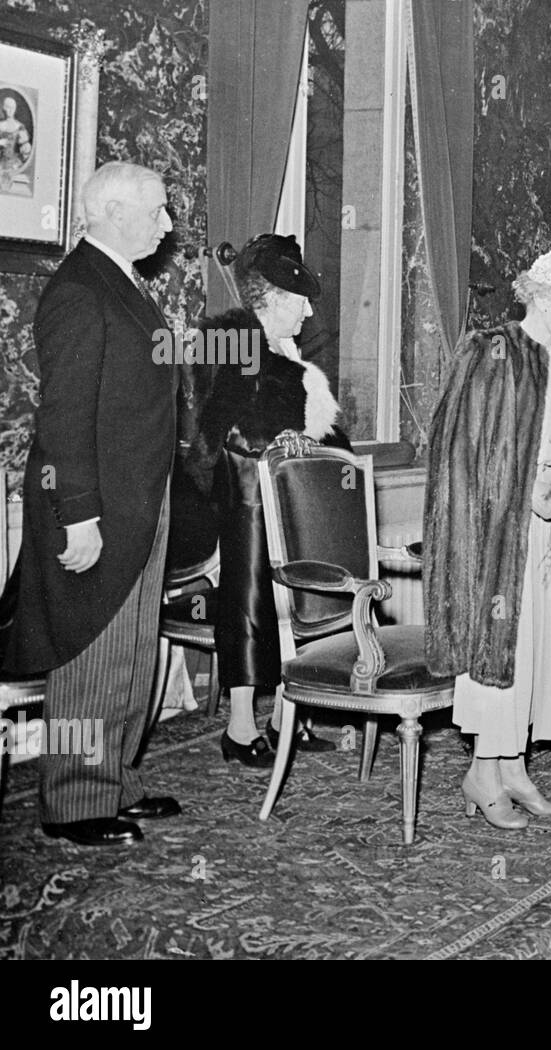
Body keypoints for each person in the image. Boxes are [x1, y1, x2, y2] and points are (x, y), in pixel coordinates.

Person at [2, 162, 179, 846]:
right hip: (95, 507)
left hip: (137, 502)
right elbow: (63, 417)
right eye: (158, 212)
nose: (167, 226)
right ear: (112, 212)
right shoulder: (78, 290)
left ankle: (115, 781)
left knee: (129, 654)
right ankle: (75, 802)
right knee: (88, 655)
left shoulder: (122, 283)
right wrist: (77, 514)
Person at [423, 248, 551, 829]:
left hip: (546, 529)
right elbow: (462, 448)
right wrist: (525, 491)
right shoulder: (489, 349)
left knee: (535, 650)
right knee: (500, 646)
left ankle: (514, 766)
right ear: (542, 297)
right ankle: (482, 770)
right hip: (496, 531)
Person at [189, 233, 348, 767]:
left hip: (286, 493)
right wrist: (263, 449)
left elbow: (315, 430)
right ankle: (239, 729)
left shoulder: (285, 349)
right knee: (251, 600)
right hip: (248, 493)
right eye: (300, 300)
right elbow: (213, 421)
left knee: (293, 600)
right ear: (275, 298)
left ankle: (287, 719)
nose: (307, 311)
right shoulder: (235, 338)